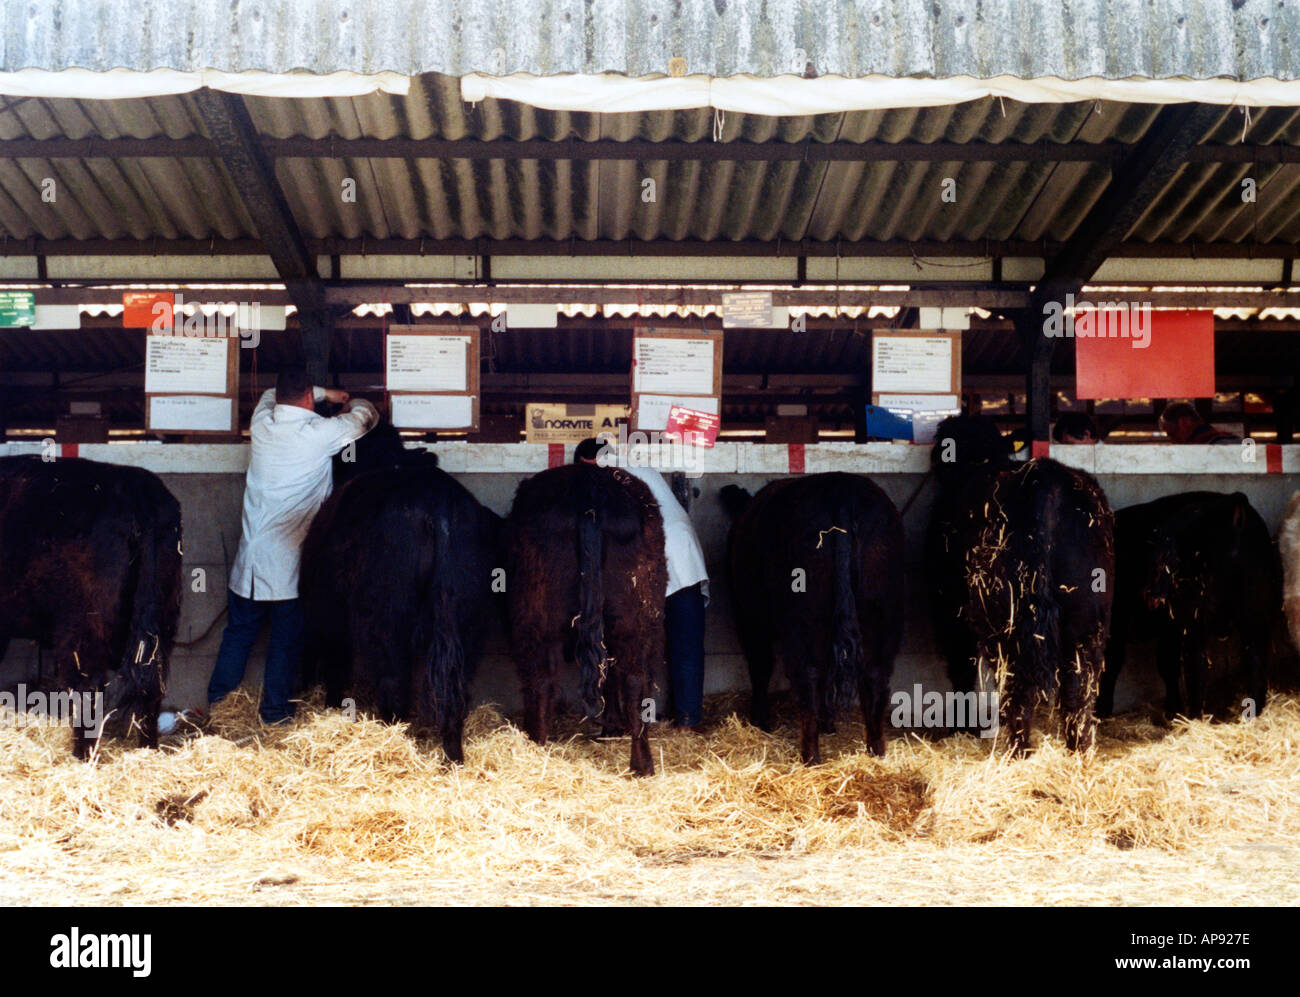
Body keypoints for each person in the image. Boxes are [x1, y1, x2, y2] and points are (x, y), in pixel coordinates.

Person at [205, 367, 378, 724]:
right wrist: (349, 399)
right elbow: (365, 419)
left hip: (249, 565)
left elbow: (270, 393)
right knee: (285, 642)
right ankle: (273, 715)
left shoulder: (262, 426)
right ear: (306, 398)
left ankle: (219, 710)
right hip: (290, 567)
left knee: (237, 635)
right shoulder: (319, 434)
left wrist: (321, 394)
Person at [574, 437, 710, 732]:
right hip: (684, 561)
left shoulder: (610, 480)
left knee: (638, 646)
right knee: (685, 642)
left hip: (655, 564)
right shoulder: (641, 469)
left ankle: (640, 720)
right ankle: (687, 720)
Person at [1159, 401, 1240, 445]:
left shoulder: (1200, 448)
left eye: (1173, 434)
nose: (1173, 441)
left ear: (1183, 422)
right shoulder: (1234, 439)